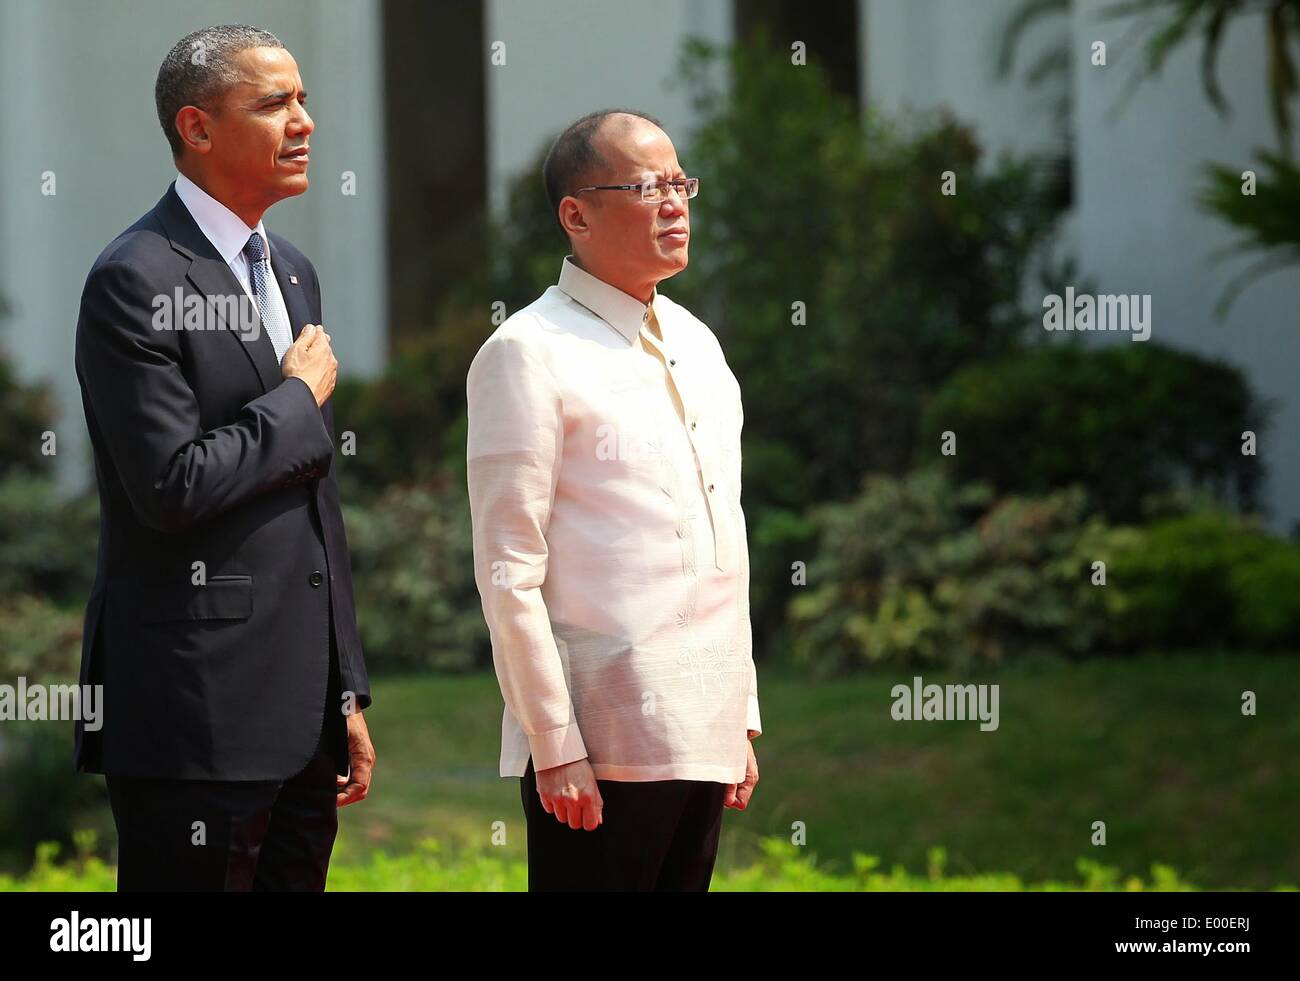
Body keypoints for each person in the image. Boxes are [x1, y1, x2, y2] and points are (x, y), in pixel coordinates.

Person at [73, 24, 375, 892]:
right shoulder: (134, 276)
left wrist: (345, 690)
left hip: (303, 711)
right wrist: (295, 398)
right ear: (197, 129)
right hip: (194, 712)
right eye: (275, 104)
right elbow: (171, 486)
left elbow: (314, 506)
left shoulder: (293, 272)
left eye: (304, 99)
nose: (304, 121)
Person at [466, 109, 761, 892]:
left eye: (680, 182)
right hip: (600, 739)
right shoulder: (527, 351)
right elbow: (507, 569)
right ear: (577, 214)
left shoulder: (699, 343)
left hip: (702, 721)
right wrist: (553, 740)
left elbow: (721, 532)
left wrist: (740, 710)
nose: (674, 203)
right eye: (645, 185)